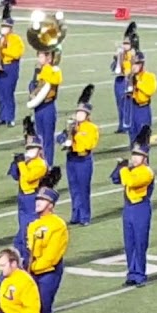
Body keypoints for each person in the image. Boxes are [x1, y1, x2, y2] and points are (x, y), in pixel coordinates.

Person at [110, 127, 155, 287]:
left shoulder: (147, 172)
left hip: (140, 208)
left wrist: (123, 169)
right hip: (128, 208)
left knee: (140, 242)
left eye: (138, 155)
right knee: (129, 243)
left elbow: (130, 181)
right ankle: (131, 273)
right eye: (133, 155)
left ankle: (140, 274)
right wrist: (119, 166)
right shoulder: (130, 169)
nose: (135, 158)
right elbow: (114, 179)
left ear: (145, 157)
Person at [27, 171, 68, 313]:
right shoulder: (33, 224)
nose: (38, 202)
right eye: (37, 199)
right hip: (32, 271)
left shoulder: (58, 225)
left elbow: (52, 256)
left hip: (48, 272)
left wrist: (33, 267)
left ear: (51, 204)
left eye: (43, 200)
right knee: (30, 307)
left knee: (43, 307)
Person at [59, 86, 99, 226]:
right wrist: (65, 136)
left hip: (83, 159)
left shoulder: (91, 128)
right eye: (78, 112)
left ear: (87, 115)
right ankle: (75, 215)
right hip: (71, 158)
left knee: (83, 189)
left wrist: (75, 135)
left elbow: (89, 144)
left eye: (82, 113)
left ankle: (85, 216)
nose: (79, 115)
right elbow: (60, 138)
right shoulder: (72, 125)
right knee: (74, 189)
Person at [9, 124, 48, 255]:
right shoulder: (28, 162)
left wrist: (21, 164)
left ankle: (28, 254)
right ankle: (20, 252)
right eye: (28, 148)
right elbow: (16, 176)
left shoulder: (41, 165)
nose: (30, 150)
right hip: (22, 196)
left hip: (32, 197)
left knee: (28, 228)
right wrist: (15, 164)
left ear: (39, 149)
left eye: (33, 148)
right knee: (22, 226)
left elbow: (28, 177)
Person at [0, 5, 25, 127]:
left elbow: (16, 54)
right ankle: (2, 117)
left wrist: (2, 49)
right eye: (2, 26)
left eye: (6, 27)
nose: (3, 28)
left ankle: (10, 118)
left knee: (8, 93)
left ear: (11, 28)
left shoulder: (16, 39)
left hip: (10, 68)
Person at [26, 48, 62, 165]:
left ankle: (48, 164)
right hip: (38, 108)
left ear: (49, 58)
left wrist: (45, 69)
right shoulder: (38, 71)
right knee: (39, 136)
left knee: (48, 138)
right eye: (39, 56)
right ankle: (40, 162)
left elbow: (55, 80)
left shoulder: (54, 70)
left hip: (48, 106)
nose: (39, 59)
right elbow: (32, 86)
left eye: (41, 56)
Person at [0, 247, 41, 313]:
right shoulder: (6, 278)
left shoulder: (26, 282)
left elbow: (33, 310)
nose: (0, 269)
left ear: (14, 263)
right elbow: (0, 298)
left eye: (3, 265)